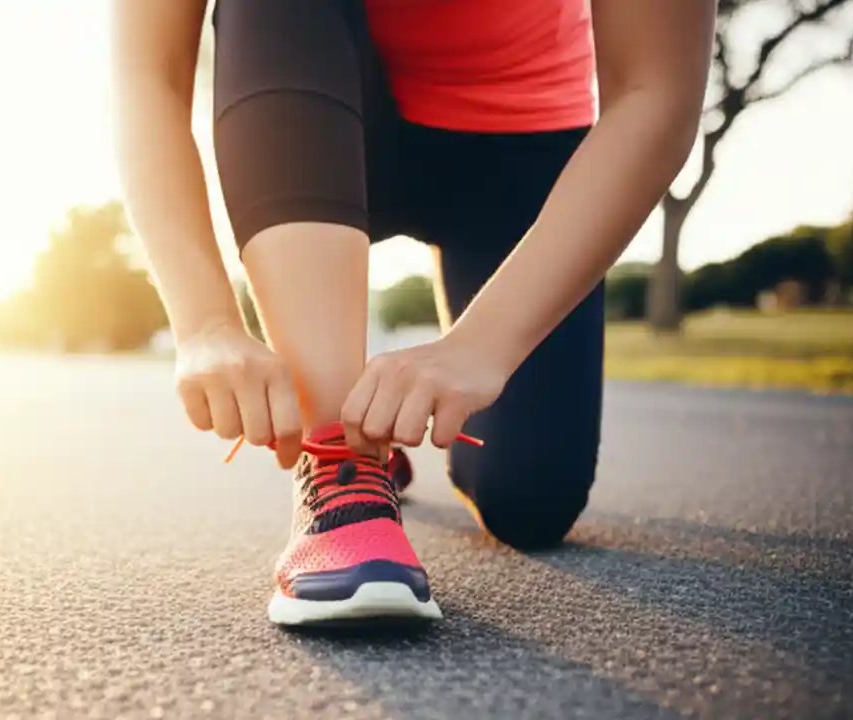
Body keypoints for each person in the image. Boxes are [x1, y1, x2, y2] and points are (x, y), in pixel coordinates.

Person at [111, 0, 713, 626]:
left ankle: (377, 421)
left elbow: (656, 88)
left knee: (529, 499)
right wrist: (205, 320)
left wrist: (482, 347)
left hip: (513, 138)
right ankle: (344, 463)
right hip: (305, 95)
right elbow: (148, 71)